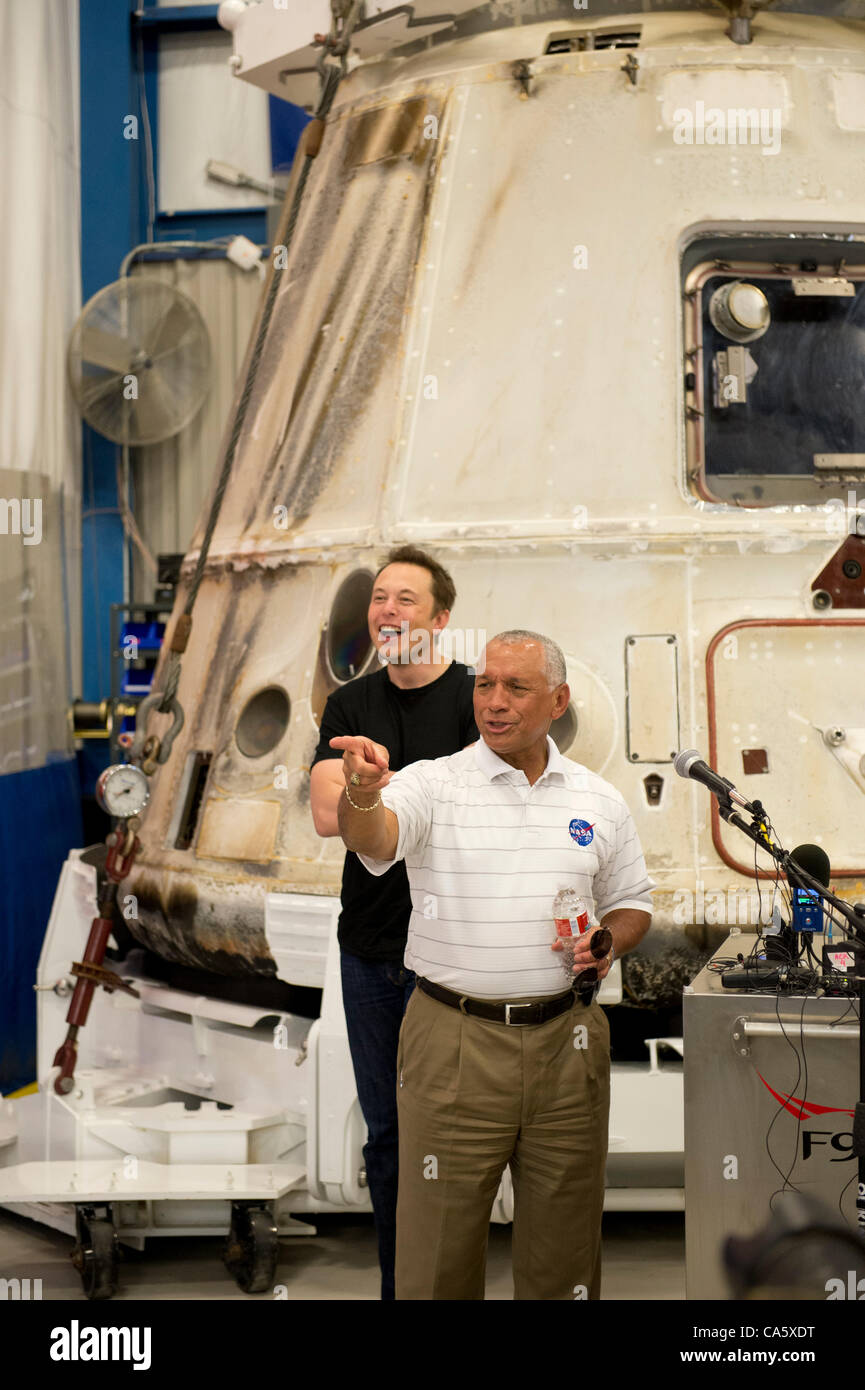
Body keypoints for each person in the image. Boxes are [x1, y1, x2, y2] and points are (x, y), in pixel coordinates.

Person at [330, 629, 654, 1300]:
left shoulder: (597, 800)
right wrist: (361, 792)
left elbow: (631, 904)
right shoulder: (433, 783)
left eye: (516, 687)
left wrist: (606, 943)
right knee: (436, 1256)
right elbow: (374, 836)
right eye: (484, 685)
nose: (494, 702)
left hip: (568, 1045)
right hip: (453, 1042)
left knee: (563, 1256)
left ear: (558, 700)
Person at [309, 544, 477, 1300]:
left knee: (460, 1136)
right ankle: (396, 1288)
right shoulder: (350, 706)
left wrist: (381, 788)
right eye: (379, 598)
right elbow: (325, 815)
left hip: (455, 952)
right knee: (388, 1138)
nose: (386, 611)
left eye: (405, 599)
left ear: (440, 618)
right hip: (372, 951)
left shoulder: (481, 702)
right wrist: (363, 788)